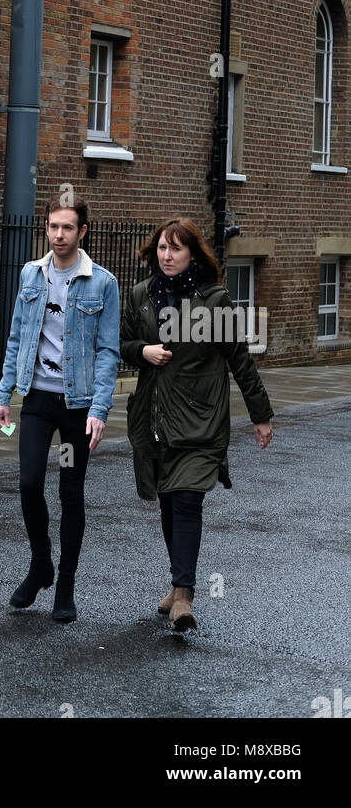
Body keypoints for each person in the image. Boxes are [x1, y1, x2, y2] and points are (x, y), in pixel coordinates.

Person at [120, 217, 273, 633]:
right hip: (155, 416)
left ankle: (183, 597)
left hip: (201, 418)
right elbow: (121, 345)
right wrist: (144, 350)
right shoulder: (141, 296)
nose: (167, 256)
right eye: (162, 249)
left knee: (187, 500)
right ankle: (178, 582)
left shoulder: (214, 301)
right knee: (169, 501)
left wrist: (260, 414)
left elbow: (239, 359)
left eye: (176, 249)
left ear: (193, 254)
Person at [0, 197, 120, 622]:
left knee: (70, 493)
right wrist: (3, 394)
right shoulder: (32, 274)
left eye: (67, 227)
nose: (59, 235)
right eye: (52, 227)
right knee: (29, 482)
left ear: (82, 232)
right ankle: (40, 564)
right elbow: (16, 337)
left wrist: (99, 409)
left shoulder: (101, 283)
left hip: (77, 405)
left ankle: (65, 585)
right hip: (37, 400)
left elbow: (107, 351)